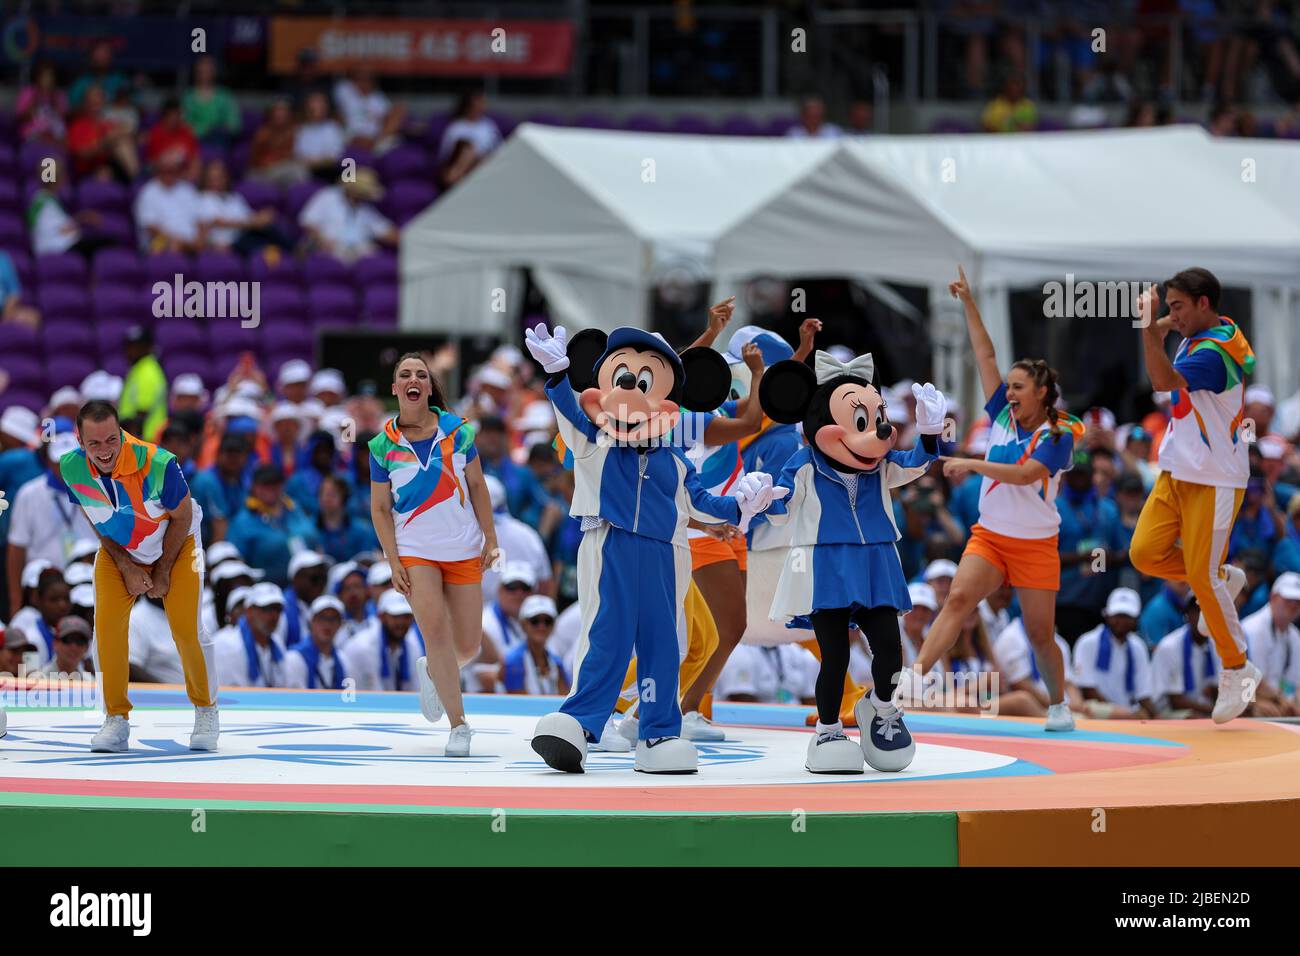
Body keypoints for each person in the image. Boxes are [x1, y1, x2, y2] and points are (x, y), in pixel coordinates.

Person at [522, 323, 778, 774]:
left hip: (666, 555)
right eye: (622, 379)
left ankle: (658, 731)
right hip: (611, 546)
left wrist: (743, 506)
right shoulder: (594, 443)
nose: (630, 393)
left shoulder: (674, 461)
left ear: (669, 402)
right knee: (609, 638)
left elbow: (704, 502)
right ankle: (579, 723)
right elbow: (568, 413)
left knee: (664, 645)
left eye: (643, 383)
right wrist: (559, 373)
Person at [906, 265, 1081, 733]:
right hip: (992, 535)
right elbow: (984, 354)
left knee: (1040, 634)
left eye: (1019, 387)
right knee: (958, 599)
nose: (1009, 392)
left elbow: (1027, 475)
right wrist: (967, 300)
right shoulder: (1003, 416)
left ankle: (1059, 704)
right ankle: (910, 687)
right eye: (1009, 387)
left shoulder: (1059, 434)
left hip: (1036, 543)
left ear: (1042, 393)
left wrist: (972, 464)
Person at [756, 354, 946, 774]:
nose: (879, 430)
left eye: (878, 418)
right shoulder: (805, 464)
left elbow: (915, 462)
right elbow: (781, 504)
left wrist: (930, 434)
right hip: (825, 566)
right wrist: (762, 496)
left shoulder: (882, 468)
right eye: (863, 421)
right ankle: (827, 731)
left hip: (876, 562)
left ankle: (877, 706)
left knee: (890, 652)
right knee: (836, 656)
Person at [1130, 270, 1262, 722]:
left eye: (1179, 307)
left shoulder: (1213, 354)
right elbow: (1174, 327)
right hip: (1177, 469)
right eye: (1169, 306)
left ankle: (1238, 667)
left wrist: (1148, 329)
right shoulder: (1208, 326)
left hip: (1216, 478)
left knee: (1201, 579)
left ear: (1203, 304)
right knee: (1145, 555)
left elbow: (1162, 379)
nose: (1173, 315)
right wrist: (1162, 321)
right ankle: (1224, 577)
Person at [60, 401, 218, 752]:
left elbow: (182, 517)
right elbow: (95, 516)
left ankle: (206, 708)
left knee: (186, 629)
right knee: (107, 632)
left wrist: (162, 571)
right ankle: (116, 719)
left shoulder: (159, 463)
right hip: (122, 549)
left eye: (111, 440)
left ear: (122, 433)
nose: (105, 451)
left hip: (179, 545)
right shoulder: (71, 467)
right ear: (80, 440)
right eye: (95, 443)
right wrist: (127, 565)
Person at [368, 353, 498, 757]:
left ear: (428, 387)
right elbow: (379, 508)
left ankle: (435, 671)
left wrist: (490, 539)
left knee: (469, 647)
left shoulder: (458, 432)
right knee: (435, 632)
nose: (413, 379)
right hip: (415, 551)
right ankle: (459, 725)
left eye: (421, 375)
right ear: (395, 389)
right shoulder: (380, 445)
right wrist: (393, 560)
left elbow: (477, 487)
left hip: (462, 547)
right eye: (404, 374)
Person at [6, 426, 95, 613]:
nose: (64, 466)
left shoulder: (97, 490)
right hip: (45, 587)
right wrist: (16, 602)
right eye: (58, 460)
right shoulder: (29, 494)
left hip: (88, 584)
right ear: (48, 461)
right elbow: (16, 548)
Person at [1072, 588, 1160, 719]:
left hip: (1128, 710)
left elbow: (1143, 694)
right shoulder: (1088, 642)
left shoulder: (1138, 646)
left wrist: (1158, 717)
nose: (1122, 621)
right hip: (1096, 707)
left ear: (1136, 619)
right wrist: (1121, 712)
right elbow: (1088, 690)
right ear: (1107, 615)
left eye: (1127, 616)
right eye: (1117, 615)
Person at [227, 464, 321, 586]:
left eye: (275, 484)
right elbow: (236, 562)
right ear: (254, 487)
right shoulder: (243, 522)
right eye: (266, 485)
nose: (271, 488)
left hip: (308, 584)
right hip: (267, 588)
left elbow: (315, 540)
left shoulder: (294, 508)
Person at [298, 168, 397, 263]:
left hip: (359, 250)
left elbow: (386, 231)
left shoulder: (366, 208)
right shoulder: (327, 197)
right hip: (330, 246)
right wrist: (321, 239)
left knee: (376, 259)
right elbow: (307, 222)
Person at [480, 474, 552, 599]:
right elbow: (545, 585)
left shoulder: (462, 537)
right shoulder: (528, 534)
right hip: (521, 613)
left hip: (470, 614)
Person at [341, 588, 426, 692]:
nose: (401, 623)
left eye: (406, 617)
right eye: (395, 617)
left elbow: (416, 688)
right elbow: (373, 693)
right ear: (381, 616)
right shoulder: (362, 648)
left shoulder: (412, 645)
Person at [1239, 572, 1300, 716]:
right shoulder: (1252, 629)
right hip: (1244, 696)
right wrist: (1280, 700)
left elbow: (1295, 683)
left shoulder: (1294, 635)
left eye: (1298, 601)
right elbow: (1249, 682)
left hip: (1276, 697)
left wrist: (1293, 703)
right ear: (1273, 597)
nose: (1294, 605)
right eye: (1288, 600)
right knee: (1266, 711)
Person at [195, 159, 283, 257]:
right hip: (231, 243)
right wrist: (253, 223)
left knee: (272, 228)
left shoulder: (234, 197)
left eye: (220, 177)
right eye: (213, 178)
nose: (217, 181)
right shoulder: (204, 198)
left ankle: (291, 252)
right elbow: (219, 222)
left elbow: (249, 216)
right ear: (205, 180)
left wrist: (262, 216)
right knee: (264, 245)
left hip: (247, 235)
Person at [1151, 597, 1219, 717]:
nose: (1202, 616)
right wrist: (1215, 709)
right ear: (1187, 614)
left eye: (1208, 610)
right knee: (1194, 718)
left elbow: (1218, 688)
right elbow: (1175, 701)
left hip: (1201, 707)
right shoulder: (1170, 646)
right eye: (1197, 610)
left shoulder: (1216, 644)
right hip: (1164, 710)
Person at [214, 581, 286, 687]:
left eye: (278, 609)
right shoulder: (225, 644)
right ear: (249, 611)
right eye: (267, 609)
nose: (274, 616)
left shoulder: (277, 643)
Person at [134, 147, 202, 253]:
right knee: (171, 247)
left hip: (190, 242)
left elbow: (200, 219)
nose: (168, 175)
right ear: (157, 171)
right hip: (159, 240)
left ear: (178, 171)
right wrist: (177, 240)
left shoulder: (188, 190)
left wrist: (199, 239)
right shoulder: (148, 192)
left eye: (172, 171)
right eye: (164, 171)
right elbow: (151, 227)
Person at [500, 594, 568, 695]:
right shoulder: (513, 661)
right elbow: (519, 705)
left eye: (547, 621)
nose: (542, 626)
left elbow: (563, 696)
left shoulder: (557, 663)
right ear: (523, 624)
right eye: (535, 621)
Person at [283, 595, 350, 690]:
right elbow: (297, 701)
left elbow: (349, 697)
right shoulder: (295, 658)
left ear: (340, 624)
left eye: (333, 619)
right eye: (322, 618)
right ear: (311, 621)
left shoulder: (344, 660)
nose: (327, 625)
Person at [119, 326, 168, 442]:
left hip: (146, 438)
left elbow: (141, 413)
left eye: (137, 346)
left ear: (148, 347)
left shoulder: (147, 371)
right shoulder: (140, 369)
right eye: (129, 346)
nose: (131, 350)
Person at [315, 475, 377, 563]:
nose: (327, 498)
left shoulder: (362, 531)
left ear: (344, 497)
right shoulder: (312, 531)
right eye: (323, 493)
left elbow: (367, 561)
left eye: (332, 494)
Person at [182, 55, 240, 148]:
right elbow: (184, 125)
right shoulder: (188, 98)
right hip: (195, 143)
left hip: (219, 142)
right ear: (195, 73)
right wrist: (204, 129)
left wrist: (218, 130)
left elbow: (234, 125)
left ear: (214, 72)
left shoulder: (225, 96)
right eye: (201, 72)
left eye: (208, 71)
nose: (204, 75)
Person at [247, 98, 308, 187]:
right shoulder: (263, 133)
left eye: (283, 112)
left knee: (300, 170)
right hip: (264, 171)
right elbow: (254, 159)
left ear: (289, 115)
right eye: (277, 111)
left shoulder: (295, 131)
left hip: (286, 168)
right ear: (271, 114)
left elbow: (296, 155)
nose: (280, 115)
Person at [294, 91, 345, 181]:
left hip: (331, 170)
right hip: (307, 171)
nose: (317, 110)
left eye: (321, 107)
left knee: (350, 167)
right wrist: (316, 161)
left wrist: (318, 162)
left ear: (326, 108)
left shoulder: (333, 127)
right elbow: (299, 155)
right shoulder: (301, 129)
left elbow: (336, 156)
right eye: (313, 107)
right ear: (307, 109)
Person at [143, 98, 199, 177]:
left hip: (184, 175)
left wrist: (192, 172)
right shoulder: (156, 134)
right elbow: (154, 163)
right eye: (172, 116)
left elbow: (194, 158)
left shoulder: (186, 131)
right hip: (162, 176)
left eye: (177, 115)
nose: (175, 119)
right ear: (165, 117)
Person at [17, 60, 68, 145]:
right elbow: (21, 119)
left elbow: (63, 120)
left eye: (50, 75)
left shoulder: (60, 95)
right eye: (43, 76)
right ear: (37, 77)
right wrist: (35, 99)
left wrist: (54, 101)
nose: (47, 79)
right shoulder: (27, 92)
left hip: (55, 135)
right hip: (33, 135)